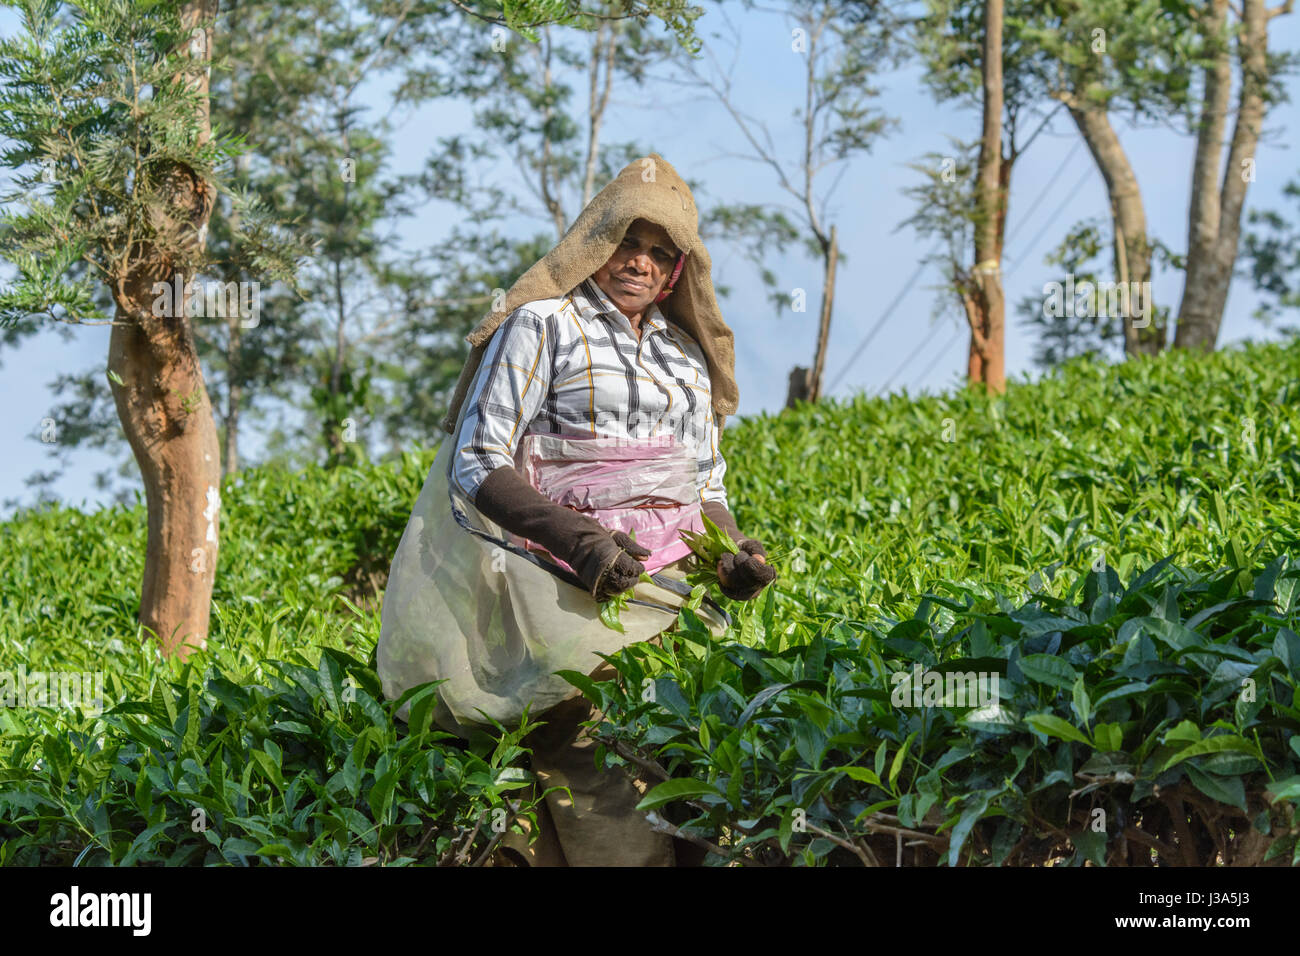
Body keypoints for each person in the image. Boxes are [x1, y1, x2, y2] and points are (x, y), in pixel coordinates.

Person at [378, 154, 776, 866]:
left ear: (678, 269)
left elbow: (704, 485)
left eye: (661, 253)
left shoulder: (685, 357)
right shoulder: (542, 325)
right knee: (593, 762)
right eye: (629, 241)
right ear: (598, 239)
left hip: (673, 598)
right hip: (556, 591)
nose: (641, 263)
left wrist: (733, 555)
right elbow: (479, 460)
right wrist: (579, 541)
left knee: (684, 774)